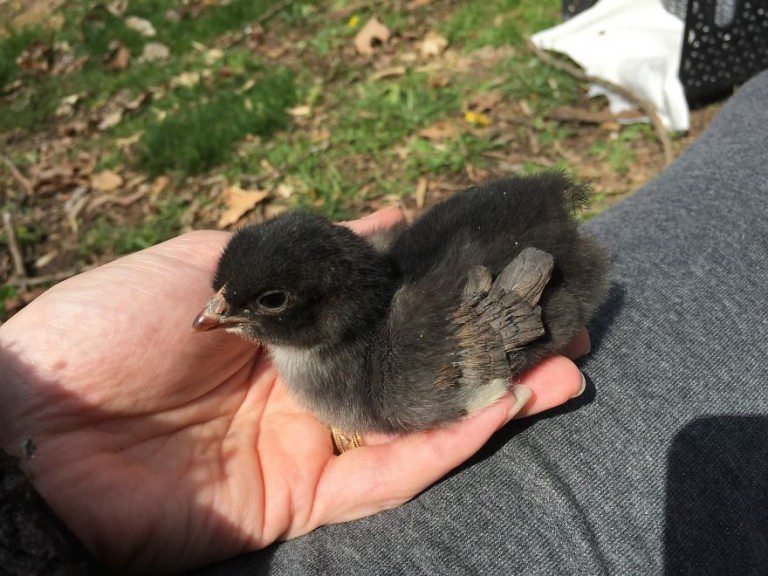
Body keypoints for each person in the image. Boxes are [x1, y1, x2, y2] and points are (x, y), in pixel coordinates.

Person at [3, 69, 768, 575]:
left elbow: (534, 268)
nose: (211, 315)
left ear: (325, 307)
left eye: (254, 303)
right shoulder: (365, 320)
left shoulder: (398, 370)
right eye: (225, 296)